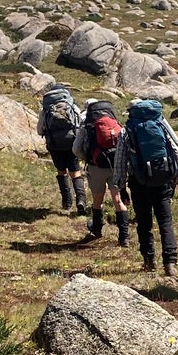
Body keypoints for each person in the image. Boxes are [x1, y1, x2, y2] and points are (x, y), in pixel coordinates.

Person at [113, 98, 178, 278]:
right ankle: (170, 263)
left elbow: (120, 161)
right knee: (165, 222)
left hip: (138, 182)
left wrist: (121, 185)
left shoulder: (127, 131)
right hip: (162, 180)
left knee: (144, 223)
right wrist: (176, 175)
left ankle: (149, 260)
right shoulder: (160, 123)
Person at [75, 99, 129, 246]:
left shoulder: (87, 125)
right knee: (117, 200)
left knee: (97, 200)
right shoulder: (114, 123)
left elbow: (76, 149)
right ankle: (124, 238)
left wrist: (88, 158)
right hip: (115, 166)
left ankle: (97, 230)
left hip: (96, 166)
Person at [37, 85, 88, 216]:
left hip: (54, 144)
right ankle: (81, 201)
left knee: (61, 172)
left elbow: (39, 130)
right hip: (71, 143)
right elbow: (80, 122)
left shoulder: (46, 108)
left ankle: (66, 202)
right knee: (76, 173)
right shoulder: (70, 104)